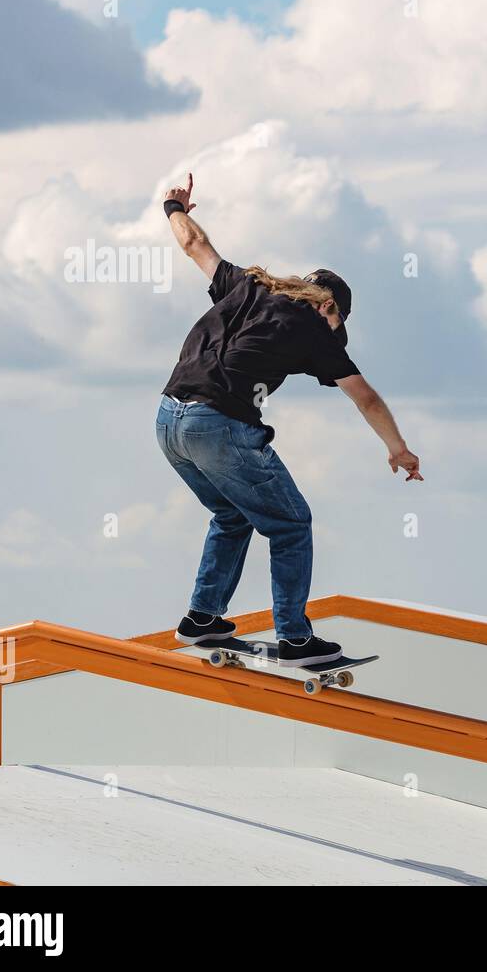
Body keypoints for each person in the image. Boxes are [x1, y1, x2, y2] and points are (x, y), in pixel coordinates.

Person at [156, 174, 421, 666]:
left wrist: (172, 205)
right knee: (291, 522)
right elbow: (365, 398)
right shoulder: (314, 324)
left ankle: (202, 618)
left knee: (233, 513)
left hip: (168, 420)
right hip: (216, 423)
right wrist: (398, 448)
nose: (338, 335)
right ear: (327, 306)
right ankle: (296, 638)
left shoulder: (247, 285)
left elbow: (194, 243)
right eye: (339, 322)